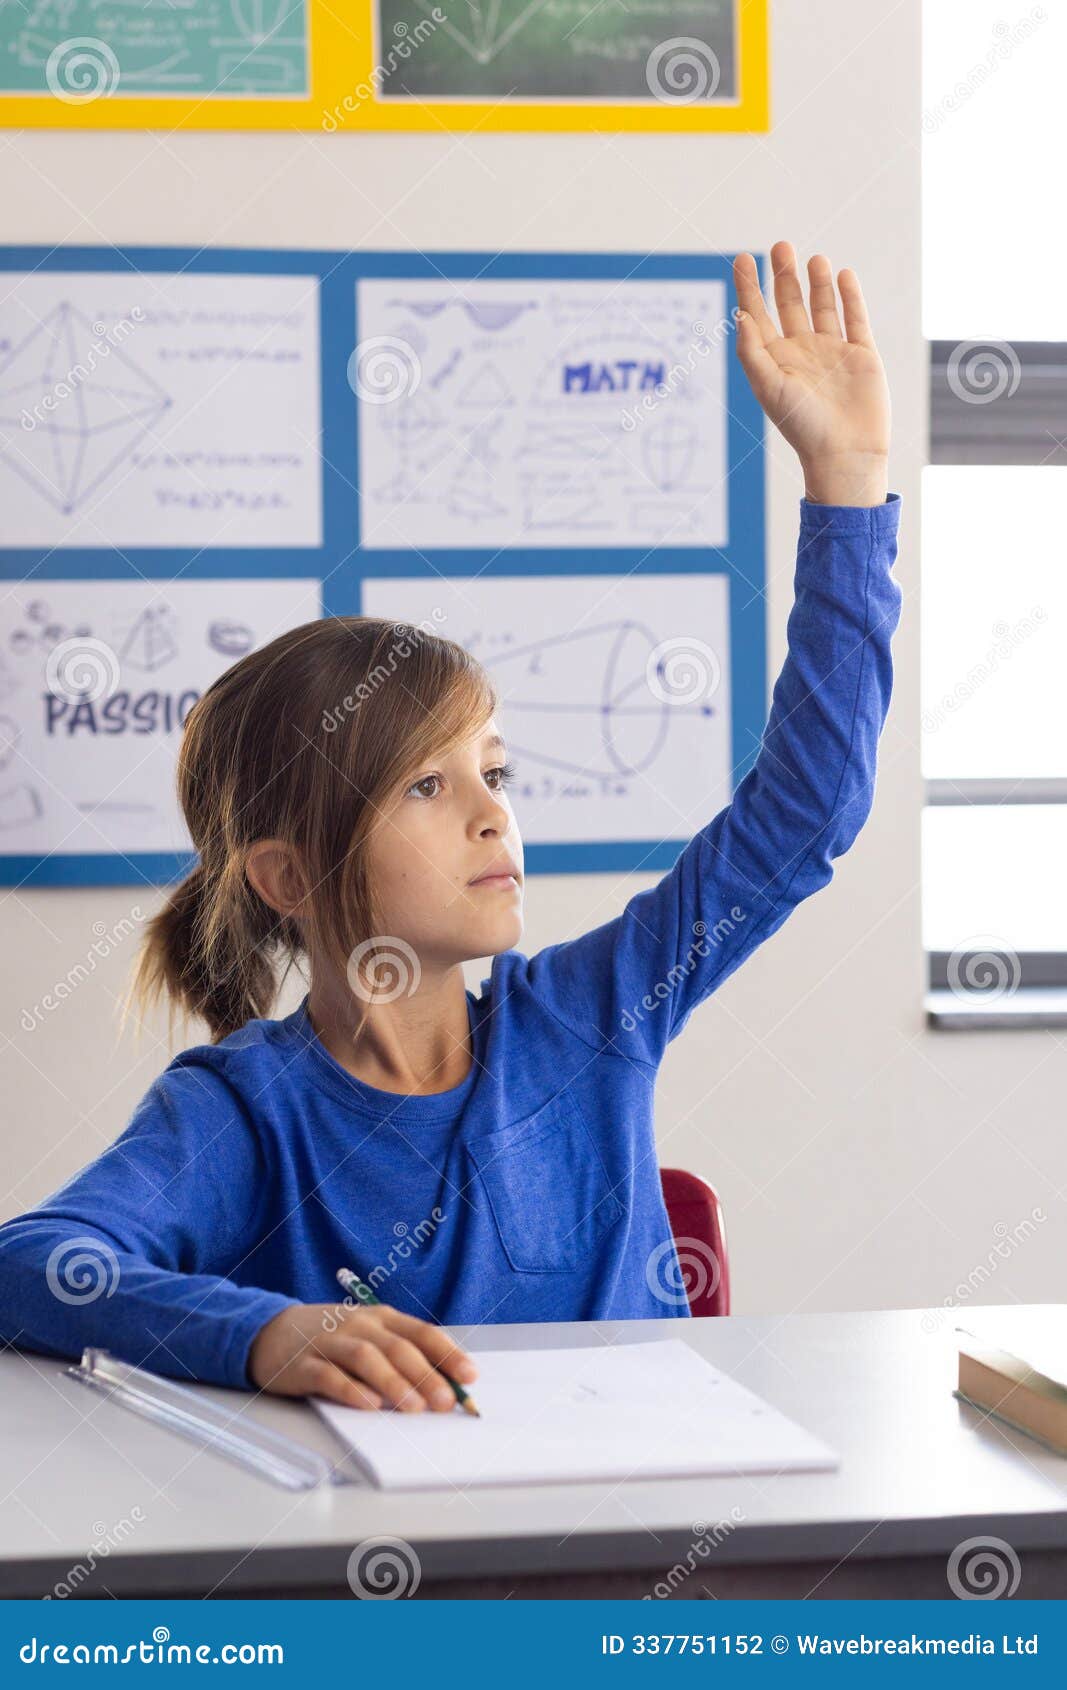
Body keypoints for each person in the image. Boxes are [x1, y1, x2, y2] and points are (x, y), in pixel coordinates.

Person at [0, 242, 902, 1414]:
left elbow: (809, 811)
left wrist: (847, 483)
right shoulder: (238, 1111)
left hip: (631, 1556)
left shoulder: (589, 1017)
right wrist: (264, 1332)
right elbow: (33, 1264)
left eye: (493, 769)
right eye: (427, 787)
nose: (492, 813)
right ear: (286, 873)